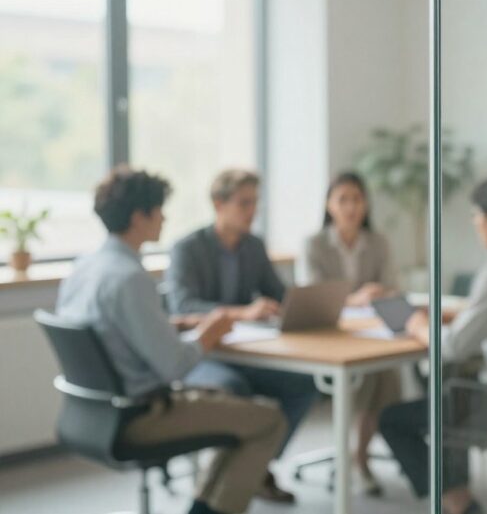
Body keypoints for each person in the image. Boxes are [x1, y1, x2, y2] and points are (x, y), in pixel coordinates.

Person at [57, 167, 287, 514]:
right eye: (159, 210)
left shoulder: (83, 269)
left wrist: (170, 326)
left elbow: (112, 334)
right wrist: (208, 333)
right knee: (269, 420)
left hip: (93, 413)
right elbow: (175, 366)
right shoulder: (130, 278)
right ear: (139, 217)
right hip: (142, 415)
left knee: (238, 411)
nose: (164, 217)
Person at [378, 175, 487, 514]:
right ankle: (458, 494)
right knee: (447, 390)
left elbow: (453, 347)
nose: (475, 223)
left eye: (476, 215)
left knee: (393, 418)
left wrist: (417, 324)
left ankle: (457, 502)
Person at [166, 169, 317, 503]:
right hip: (201, 354)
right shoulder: (186, 249)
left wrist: (299, 306)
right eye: (244, 203)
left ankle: (256, 465)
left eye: (255, 203)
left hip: (247, 351)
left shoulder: (253, 246)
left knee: (304, 382)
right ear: (219, 204)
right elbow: (183, 305)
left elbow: (278, 294)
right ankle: (241, 476)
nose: (253, 211)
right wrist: (241, 312)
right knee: (236, 389)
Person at [301, 171, 401, 495]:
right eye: (342, 199)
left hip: (372, 334)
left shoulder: (378, 243)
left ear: (366, 204)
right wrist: (358, 298)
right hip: (328, 335)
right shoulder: (314, 245)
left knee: (386, 376)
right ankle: (352, 458)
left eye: (356, 199)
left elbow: (392, 290)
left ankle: (360, 457)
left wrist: (376, 296)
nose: (350, 207)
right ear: (329, 205)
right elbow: (316, 295)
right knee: (365, 377)